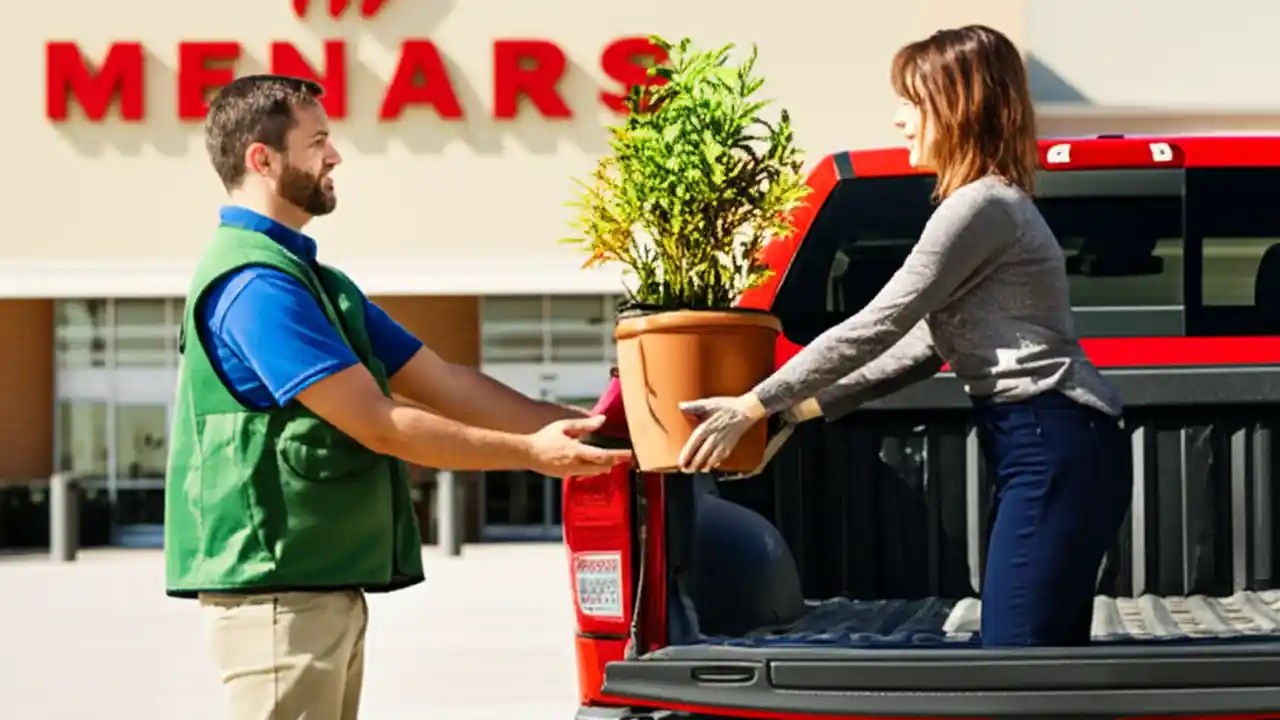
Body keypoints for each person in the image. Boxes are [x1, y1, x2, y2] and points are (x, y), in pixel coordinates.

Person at [164, 74, 630, 720]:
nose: (335, 156)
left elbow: (444, 381)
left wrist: (596, 429)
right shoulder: (255, 286)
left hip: (315, 590)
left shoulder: (315, 281)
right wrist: (529, 452)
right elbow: (378, 423)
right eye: (318, 141)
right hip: (277, 595)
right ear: (261, 158)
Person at [676, 25, 1132, 648]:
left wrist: (756, 403)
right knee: (1037, 653)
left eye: (913, 103)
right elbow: (920, 347)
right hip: (1050, 442)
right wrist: (802, 410)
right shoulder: (989, 207)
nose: (899, 120)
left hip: (1051, 439)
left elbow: (879, 322)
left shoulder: (979, 207)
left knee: (1020, 657)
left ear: (959, 106)